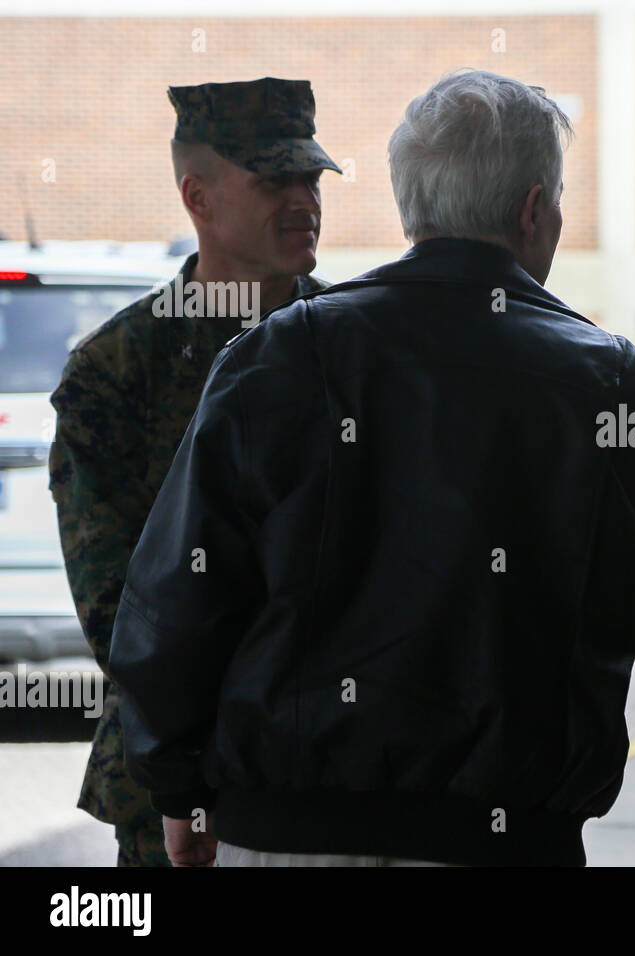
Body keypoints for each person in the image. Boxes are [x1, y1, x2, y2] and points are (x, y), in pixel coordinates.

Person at [108, 69, 635, 868]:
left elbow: (175, 599)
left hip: (277, 837)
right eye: (556, 203)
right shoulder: (612, 384)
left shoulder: (276, 355)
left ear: (408, 205)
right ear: (532, 209)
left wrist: (176, 787)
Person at [49, 76, 340, 868]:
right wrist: (199, 774)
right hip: (181, 784)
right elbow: (121, 611)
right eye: (274, 179)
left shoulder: (360, 348)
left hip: (342, 767)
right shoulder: (117, 371)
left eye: (311, 177)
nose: (304, 200)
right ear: (198, 198)